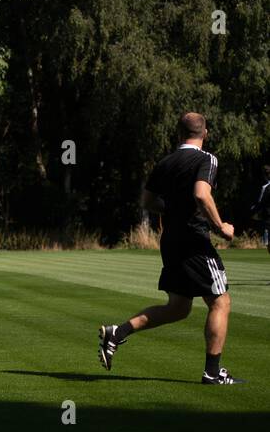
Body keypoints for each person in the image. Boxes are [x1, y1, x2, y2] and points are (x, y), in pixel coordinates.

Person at [97, 112, 242, 384]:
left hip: (171, 240)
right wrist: (221, 226)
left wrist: (173, 210)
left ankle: (116, 333)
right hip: (194, 241)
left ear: (178, 134)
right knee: (220, 301)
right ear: (205, 133)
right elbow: (201, 194)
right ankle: (213, 372)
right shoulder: (206, 159)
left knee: (178, 308)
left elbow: (147, 200)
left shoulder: (165, 162)